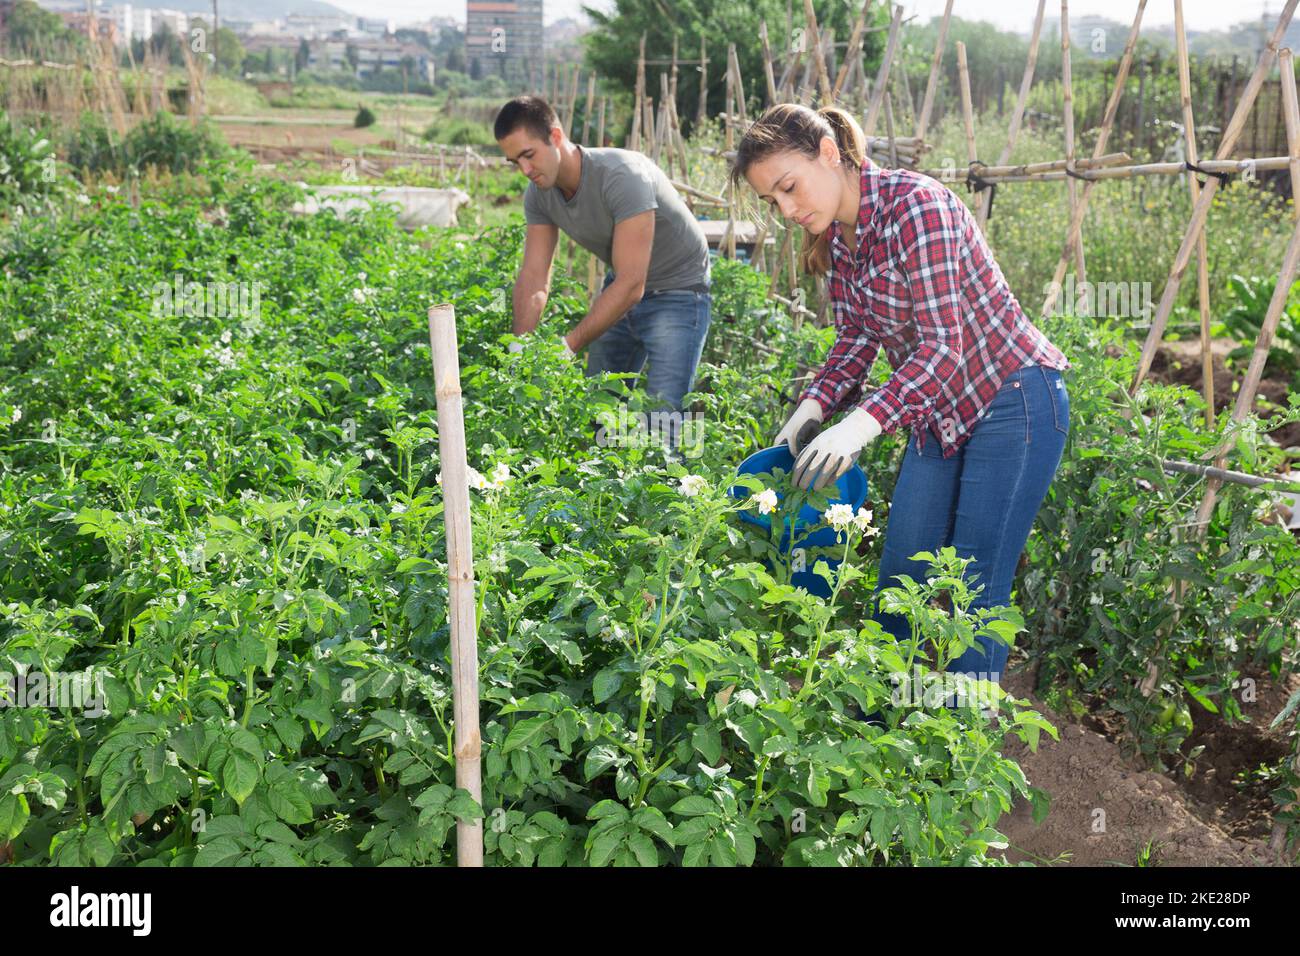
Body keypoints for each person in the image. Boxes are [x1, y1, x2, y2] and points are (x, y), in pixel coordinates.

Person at [731, 103, 1072, 696]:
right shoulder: (841, 240)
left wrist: (861, 424)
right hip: (937, 415)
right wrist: (811, 411)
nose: (787, 210)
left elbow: (944, 346)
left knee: (971, 587)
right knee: (901, 579)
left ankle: (966, 751)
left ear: (830, 154)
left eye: (789, 187)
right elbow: (858, 340)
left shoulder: (920, 207)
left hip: (1014, 399)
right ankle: (878, 736)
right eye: (772, 202)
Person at [494, 96, 713, 442]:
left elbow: (631, 284)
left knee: (664, 423)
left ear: (555, 136)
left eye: (528, 155)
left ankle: (677, 490)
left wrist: (569, 345)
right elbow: (534, 277)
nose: (524, 170)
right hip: (623, 284)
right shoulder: (540, 195)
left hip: (679, 291)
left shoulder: (622, 175)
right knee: (598, 412)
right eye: (513, 161)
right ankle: (606, 491)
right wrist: (521, 348)